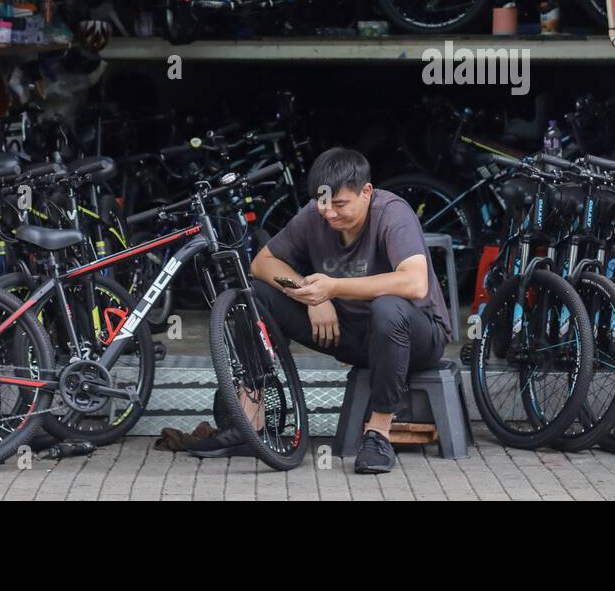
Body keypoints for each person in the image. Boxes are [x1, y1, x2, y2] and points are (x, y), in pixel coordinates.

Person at [191, 147, 451, 473]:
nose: (330, 214)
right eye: (323, 204)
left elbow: (414, 283)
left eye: (340, 205)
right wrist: (310, 296)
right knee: (254, 295)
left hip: (416, 336)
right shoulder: (316, 214)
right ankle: (252, 423)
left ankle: (379, 433)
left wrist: (333, 287)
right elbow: (261, 264)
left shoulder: (392, 213)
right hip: (351, 333)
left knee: (388, 308)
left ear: (366, 192)